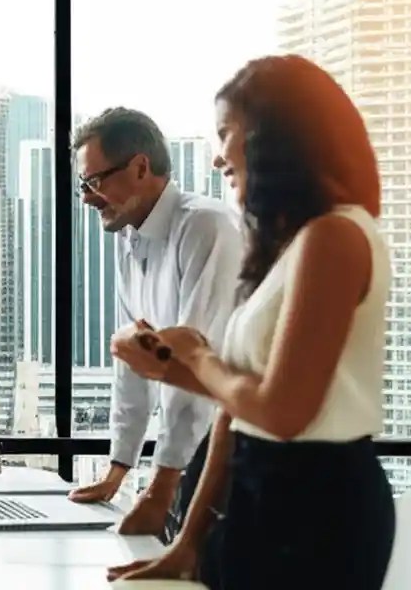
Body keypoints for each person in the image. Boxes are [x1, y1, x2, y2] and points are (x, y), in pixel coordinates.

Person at [112, 55, 395, 588]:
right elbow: (236, 409)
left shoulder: (335, 238)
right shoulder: (292, 245)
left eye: (225, 133)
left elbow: (282, 412)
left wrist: (197, 354)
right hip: (260, 499)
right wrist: (187, 543)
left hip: (317, 514)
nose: (218, 156)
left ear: (273, 137)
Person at [69, 107, 242, 548]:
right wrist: (118, 469)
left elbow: (195, 366)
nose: (87, 198)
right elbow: (134, 362)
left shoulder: (204, 226)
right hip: (188, 455)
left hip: (229, 452)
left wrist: (163, 485)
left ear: (140, 168)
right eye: (83, 186)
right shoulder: (131, 239)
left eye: (94, 182)